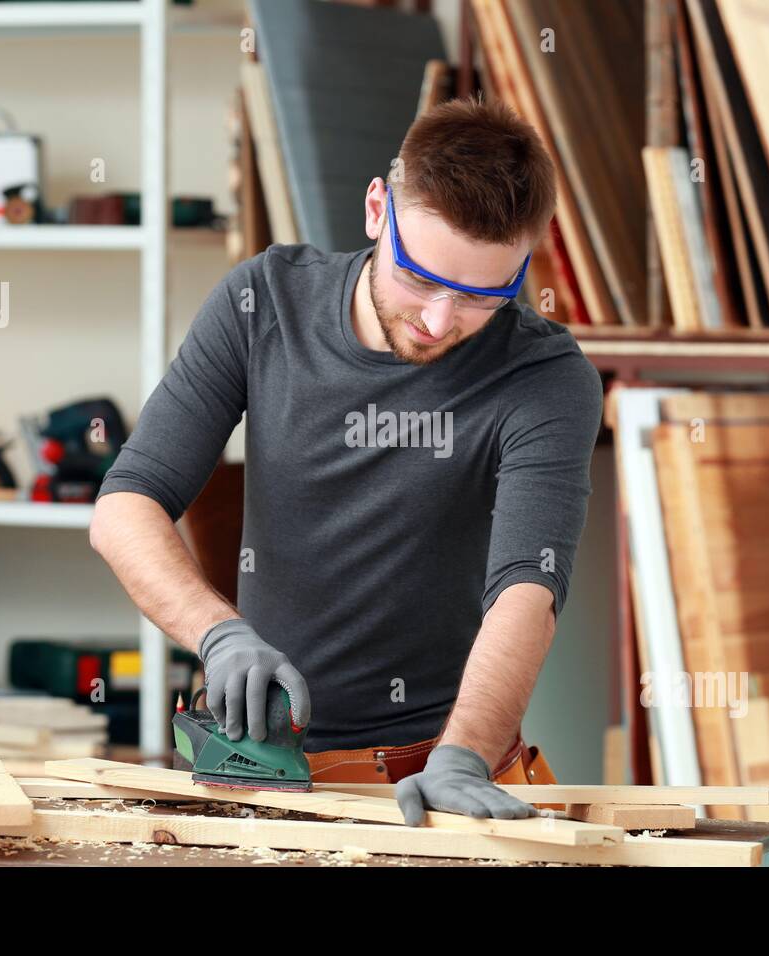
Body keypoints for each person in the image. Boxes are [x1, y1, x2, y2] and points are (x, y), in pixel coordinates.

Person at [90, 97, 603, 825]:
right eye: (420, 279)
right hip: (254, 771)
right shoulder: (260, 303)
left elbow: (528, 588)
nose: (438, 322)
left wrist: (464, 755)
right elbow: (125, 507)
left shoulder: (546, 377)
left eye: (482, 296)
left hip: (433, 779)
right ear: (375, 210)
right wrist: (219, 633)